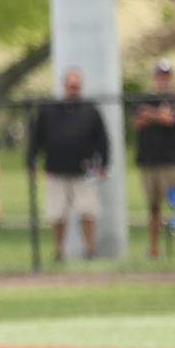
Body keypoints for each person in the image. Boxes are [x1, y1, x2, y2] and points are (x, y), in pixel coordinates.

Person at [26, 68, 110, 260]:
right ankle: (59, 252)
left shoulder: (91, 110)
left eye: (77, 87)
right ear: (63, 86)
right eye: (71, 86)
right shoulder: (49, 110)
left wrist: (104, 163)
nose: (74, 90)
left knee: (88, 211)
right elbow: (36, 139)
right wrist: (31, 161)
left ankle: (89, 250)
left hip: (84, 171)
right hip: (56, 170)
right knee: (57, 214)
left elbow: (102, 139)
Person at [133, 58, 175, 258]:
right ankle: (154, 249)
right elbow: (137, 122)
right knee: (153, 207)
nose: (163, 81)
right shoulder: (145, 98)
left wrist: (150, 114)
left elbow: (171, 119)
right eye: (160, 77)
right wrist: (158, 114)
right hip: (148, 163)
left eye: (167, 77)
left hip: (170, 163)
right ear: (155, 78)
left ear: (171, 79)